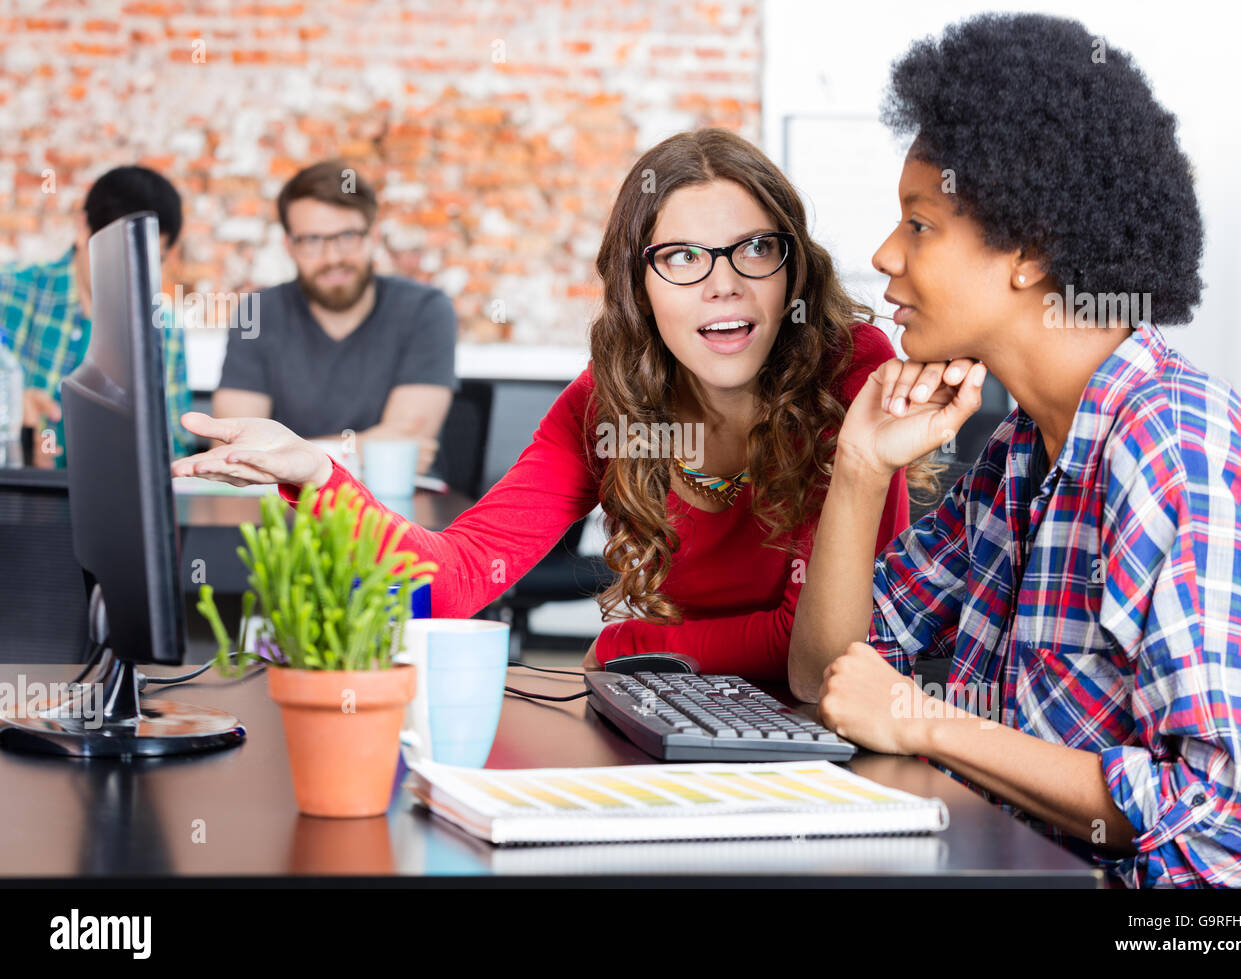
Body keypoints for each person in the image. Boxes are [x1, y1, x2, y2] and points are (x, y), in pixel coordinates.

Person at [790, 13, 1241, 888]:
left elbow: (1227, 829)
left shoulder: (1178, 449)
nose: (882, 255)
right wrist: (862, 466)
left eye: (919, 225)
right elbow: (830, 677)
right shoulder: (1019, 454)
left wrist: (923, 721)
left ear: (1026, 249)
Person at [172, 128, 919, 680]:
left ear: (792, 268)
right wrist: (315, 473)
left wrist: (631, 645)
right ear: (639, 286)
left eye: (756, 248)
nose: (723, 283)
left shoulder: (852, 374)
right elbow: (458, 575)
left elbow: (821, 650)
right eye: (682, 257)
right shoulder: (609, 402)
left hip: (830, 737)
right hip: (682, 714)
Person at [214, 161, 455, 474]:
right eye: (312, 241)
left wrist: (279, 458)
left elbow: (407, 442)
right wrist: (364, 450)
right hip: (284, 509)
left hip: (395, 512)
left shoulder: (426, 310)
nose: (332, 258)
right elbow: (230, 451)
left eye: (347, 236)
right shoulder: (256, 313)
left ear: (374, 236)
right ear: (290, 246)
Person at [0, 165, 194, 465]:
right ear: (83, 228)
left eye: (149, 261)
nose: (131, 275)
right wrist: (15, 419)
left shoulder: (164, 329)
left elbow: (174, 449)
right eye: (117, 254)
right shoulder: (9, 293)